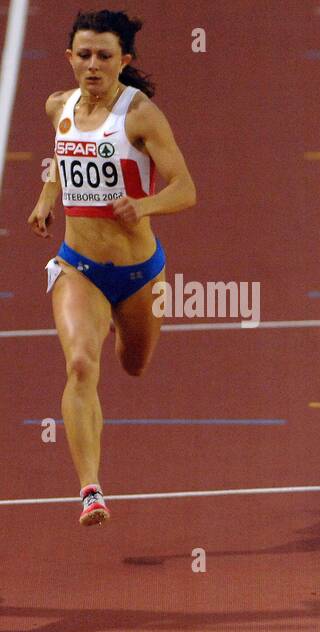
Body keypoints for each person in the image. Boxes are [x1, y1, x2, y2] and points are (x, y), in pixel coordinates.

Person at [27, 10, 196, 526]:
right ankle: (90, 489)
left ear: (124, 60)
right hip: (78, 266)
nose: (93, 65)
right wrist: (46, 196)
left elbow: (185, 188)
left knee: (133, 363)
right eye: (84, 55)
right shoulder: (59, 105)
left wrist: (141, 206)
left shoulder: (140, 114)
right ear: (69, 59)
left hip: (140, 272)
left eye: (104, 56)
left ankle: (123, 326)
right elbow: (63, 153)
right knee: (80, 364)